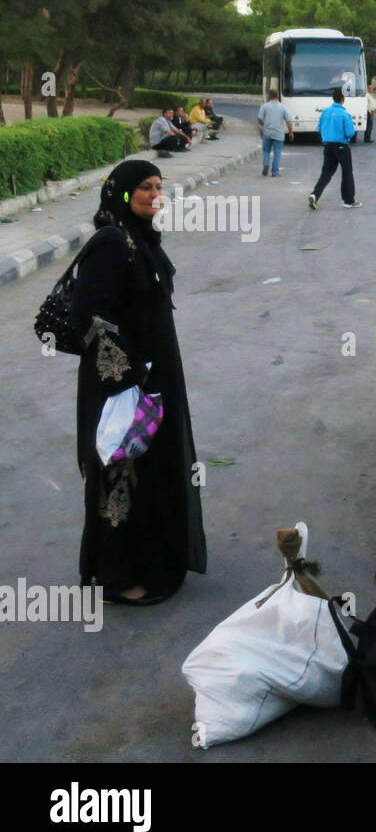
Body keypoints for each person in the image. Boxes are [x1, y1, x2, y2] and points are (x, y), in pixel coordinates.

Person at [69, 160, 207, 604]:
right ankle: (115, 576)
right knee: (120, 480)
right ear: (121, 193)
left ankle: (154, 560)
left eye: (158, 187)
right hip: (121, 387)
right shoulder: (110, 242)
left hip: (153, 382)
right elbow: (89, 315)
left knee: (153, 472)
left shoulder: (141, 240)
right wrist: (131, 372)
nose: (154, 194)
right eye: (144, 188)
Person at [307, 88, 360, 210]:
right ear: (343, 99)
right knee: (347, 172)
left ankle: (315, 194)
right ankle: (349, 200)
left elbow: (319, 128)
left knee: (326, 173)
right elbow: (350, 133)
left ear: (333, 98)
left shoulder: (325, 112)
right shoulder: (345, 114)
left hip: (328, 146)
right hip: (341, 146)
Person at [257, 89, 294, 177]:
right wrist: (291, 132)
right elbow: (288, 121)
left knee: (266, 151)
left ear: (269, 96)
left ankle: (266, 165)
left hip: (267, 133)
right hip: (279, 134)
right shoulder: (283, 107)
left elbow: (259, 118)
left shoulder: (264, 106)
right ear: (278, 96)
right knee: (277, 153)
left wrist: (264, 125)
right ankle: (275, 172)